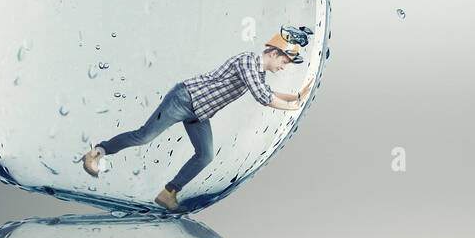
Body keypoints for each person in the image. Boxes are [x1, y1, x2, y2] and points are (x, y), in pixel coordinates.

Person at [81, 29, 313, 212]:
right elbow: (264, 97)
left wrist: (296, 96)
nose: (283, 67)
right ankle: (96, 152)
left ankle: (168, 193)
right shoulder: (248, 62)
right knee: (143, 136)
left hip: (200, 113)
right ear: (273, 53)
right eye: (284, 61)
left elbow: (268, 92)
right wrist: (293, 107)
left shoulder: (257, 72)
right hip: (183, 99)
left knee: (205, 155)